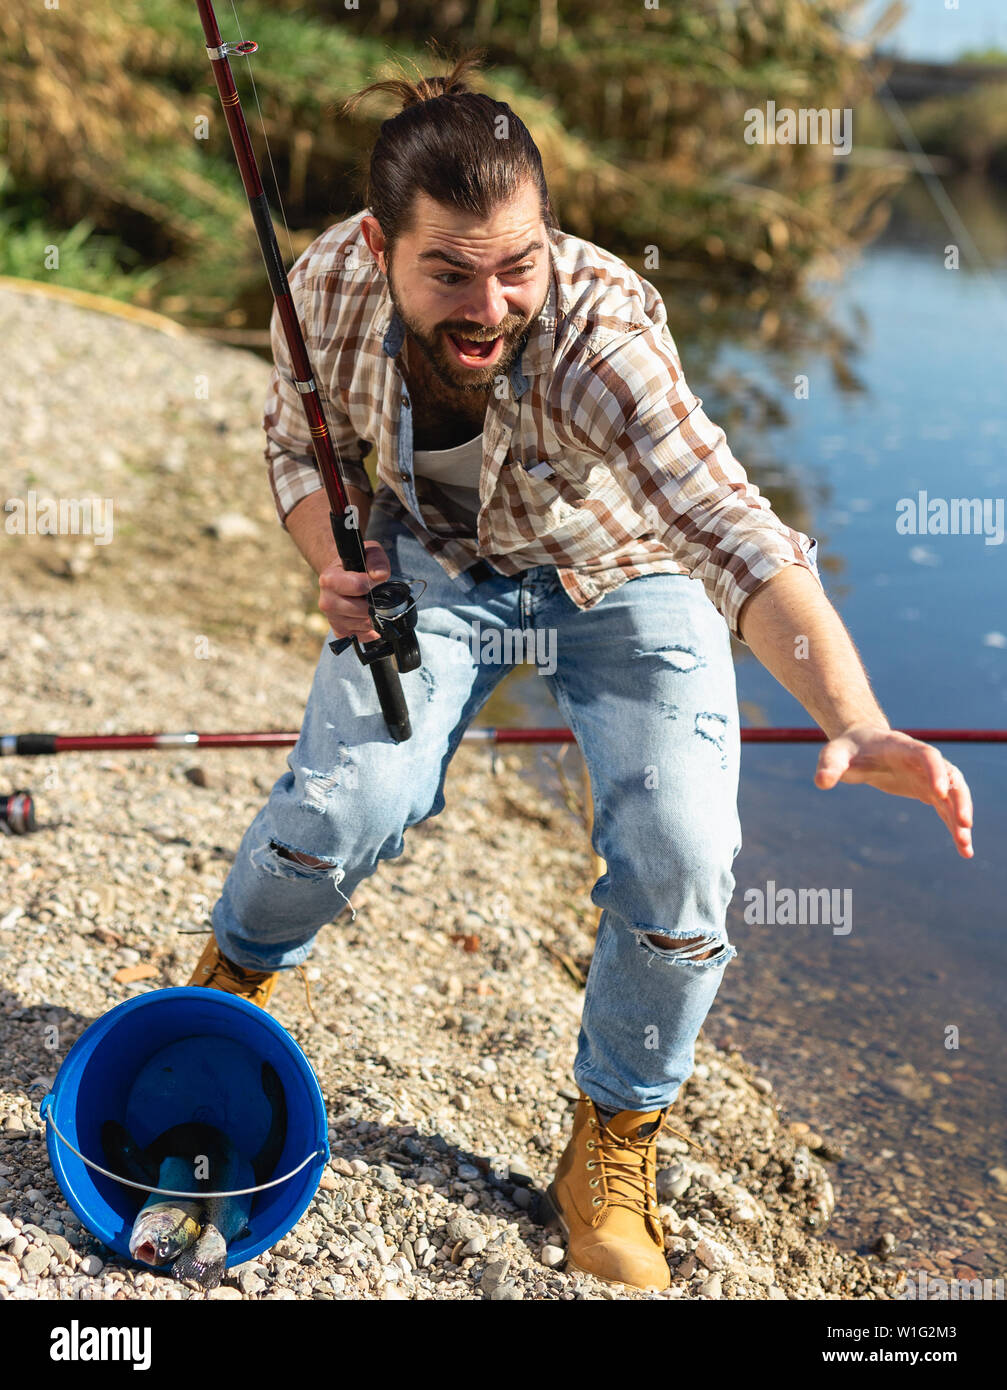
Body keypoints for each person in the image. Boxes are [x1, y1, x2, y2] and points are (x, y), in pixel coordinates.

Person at [187, 52, 974, 1292]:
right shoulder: (321, 289)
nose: (490, 304)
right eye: (447, 271)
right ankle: (227, 985)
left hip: (623, 573)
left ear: (545, 239)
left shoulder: (603, 333)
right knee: (345, 801)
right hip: (431, 564)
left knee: (682, 844)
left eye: (516, 264)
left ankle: (612, 1136)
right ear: (379, 247)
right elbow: (299, 439)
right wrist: (326, 557)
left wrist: (855, 717)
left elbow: (728, 529)